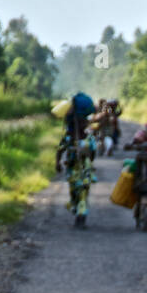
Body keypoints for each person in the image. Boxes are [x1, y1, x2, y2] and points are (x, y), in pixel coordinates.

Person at [55, 94, 97, 227]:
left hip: (85, 169)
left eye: (84, 122)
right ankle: (77, 208)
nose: (83, 124)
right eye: (80, 122)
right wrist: (58, 162)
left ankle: (82, 215)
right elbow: (60, 149)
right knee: (74, 192)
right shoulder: (69, 137)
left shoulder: (89, 137)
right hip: (72, 169)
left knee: (83, 192)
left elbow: (93, 151)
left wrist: (89, 160)